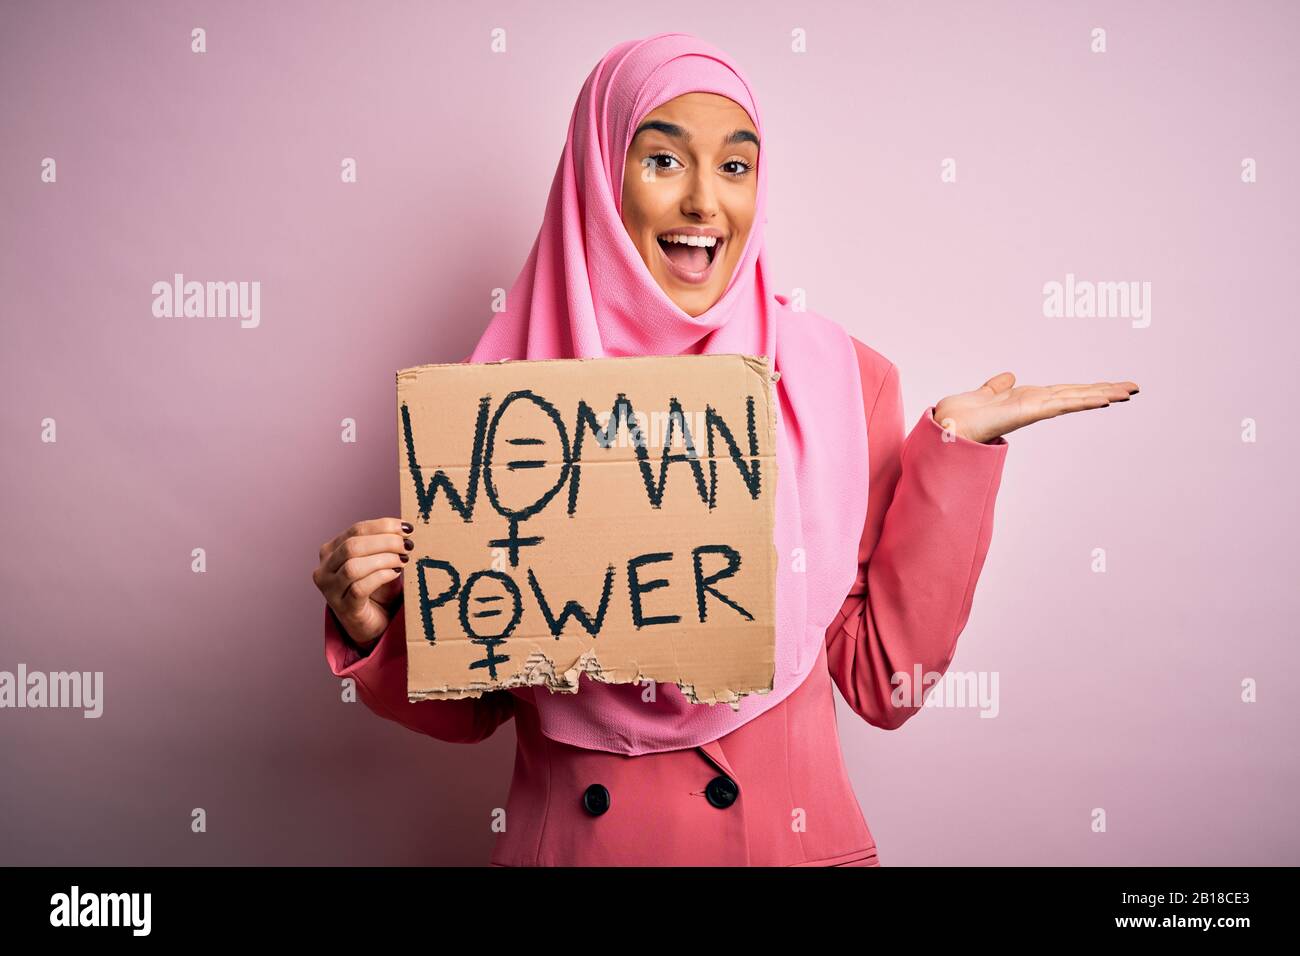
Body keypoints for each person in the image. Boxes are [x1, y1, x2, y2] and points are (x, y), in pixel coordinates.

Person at [311, 32, 1138, 866]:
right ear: (599, 178)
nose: (706, 202)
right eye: (664, 161)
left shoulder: (842, 381)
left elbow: (884, 685)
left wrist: (953, 455)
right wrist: (377, 624)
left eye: (736, 167)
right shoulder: (499, 402)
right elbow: (475, 700)